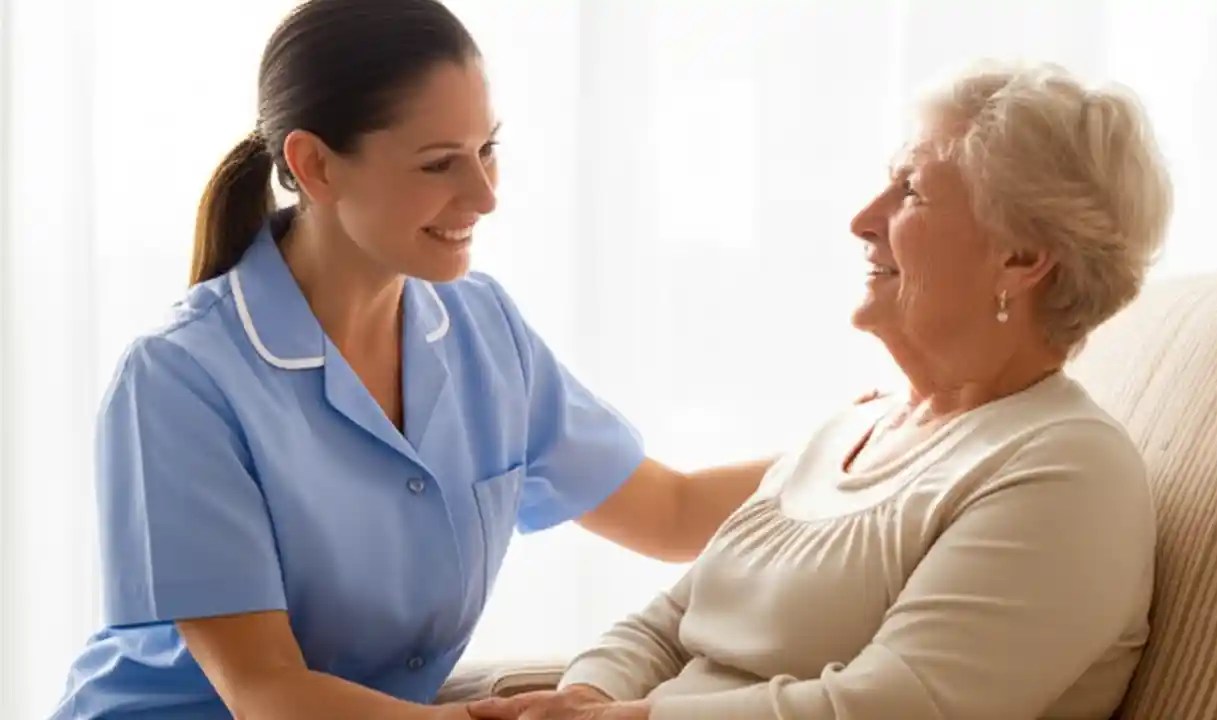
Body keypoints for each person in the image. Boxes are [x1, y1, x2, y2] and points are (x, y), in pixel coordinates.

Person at [52, 2, 772, 718]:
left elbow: (671, 511)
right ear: (315, 166)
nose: (485, 196)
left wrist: (871, 453)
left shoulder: (483, 331)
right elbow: (269, 693)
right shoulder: (181, 381)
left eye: (488, 150)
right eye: (440, 164)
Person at [471, 61, 1173, 720]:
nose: (863, 219)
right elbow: (667, 625)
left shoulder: (1067, 470)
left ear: (1021, 258)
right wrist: (586, 697)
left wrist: (629, 717)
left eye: (912, 190)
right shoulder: (849, 432)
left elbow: (894, 706)